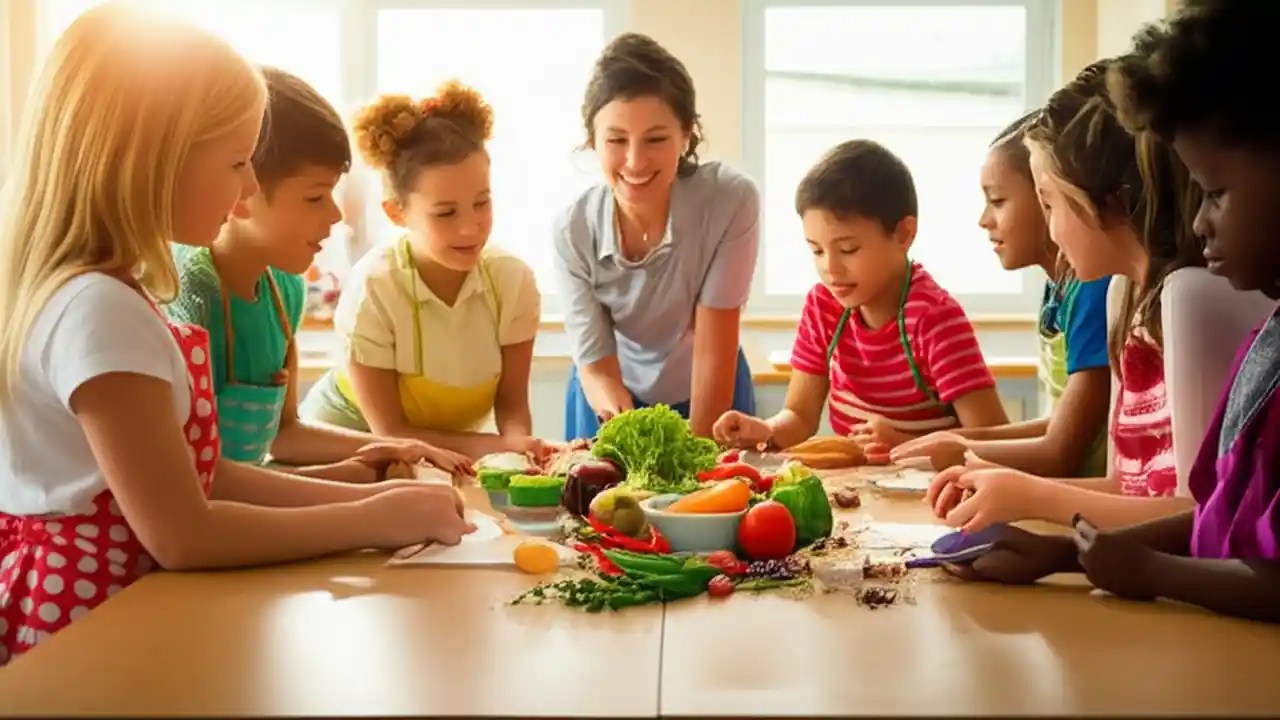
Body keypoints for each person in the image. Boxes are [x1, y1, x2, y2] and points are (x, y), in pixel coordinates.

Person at [0, 4, 471, 665]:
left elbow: (205, 479)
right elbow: (184, 533)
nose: (249, 185)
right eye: (237, 161)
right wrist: (377, 519)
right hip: (95, 626)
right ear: (153, 157)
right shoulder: (97, 312)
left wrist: (376, 491)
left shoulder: (110, 295)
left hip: (131, 606)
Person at [946, 0, 1280, 623]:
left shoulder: (1192, 300)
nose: (1202, 220)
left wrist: (1138, 565)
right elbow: (1211, 520)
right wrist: (1061, 552)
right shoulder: (1240, 331)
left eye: (1217, 192)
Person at [924, 61, 1205, 532]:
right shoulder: (1124, 301)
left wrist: (1031, 494)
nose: (1050, 228)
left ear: (1111, 199)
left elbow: (1199, 516)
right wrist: (1010, 491)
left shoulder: (1187, 303)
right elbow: (1128, 488)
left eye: (1049, 202)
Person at [165, 66, 471, 482]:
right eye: (314, 197)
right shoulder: (187, 296)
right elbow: (194, 481)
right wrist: (351, 479)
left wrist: (395, 447)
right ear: (244, 188)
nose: (335, 214)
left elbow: (285, 435)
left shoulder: (285, 291)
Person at [300, 81, 549, 460]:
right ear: (396, 212)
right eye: (446, 213)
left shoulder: (512, 282)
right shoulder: (375, 287)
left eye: (482, 203)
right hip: (346, 445)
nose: (470, 227)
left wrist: (520, 452)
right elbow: (392, 432)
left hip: (441, 454)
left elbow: (513, 407)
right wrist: (499, 446)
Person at [714, 140, 1008, 452]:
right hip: (864, 488)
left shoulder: (934, 318)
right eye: (816, 250)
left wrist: (903, 445)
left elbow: (995, 441)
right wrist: (764, 429)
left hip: (933, 490)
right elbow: (799, 416)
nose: (830, 267)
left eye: (848, 249)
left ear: (903, 235)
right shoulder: (823, 306)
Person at [553, 32, 760, 440]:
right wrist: (628, 435)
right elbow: (595, 362)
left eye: (656, 139)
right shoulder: (573, 228)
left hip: (710, 386)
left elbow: (715, 344)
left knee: (715, 497)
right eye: (615, 140)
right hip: (608, 393)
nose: (634, 161)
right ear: (592, 139)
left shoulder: (729, 201)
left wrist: (698, 462)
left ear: (686, 135)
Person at [891, 114, 1112, 476]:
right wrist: (953, 440)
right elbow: (1059, 423)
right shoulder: (1058, 288)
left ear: (1046, 196)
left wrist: (962, 451)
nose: (984, 219)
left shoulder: (1092, 289)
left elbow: (1061, 451)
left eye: (997, 201)